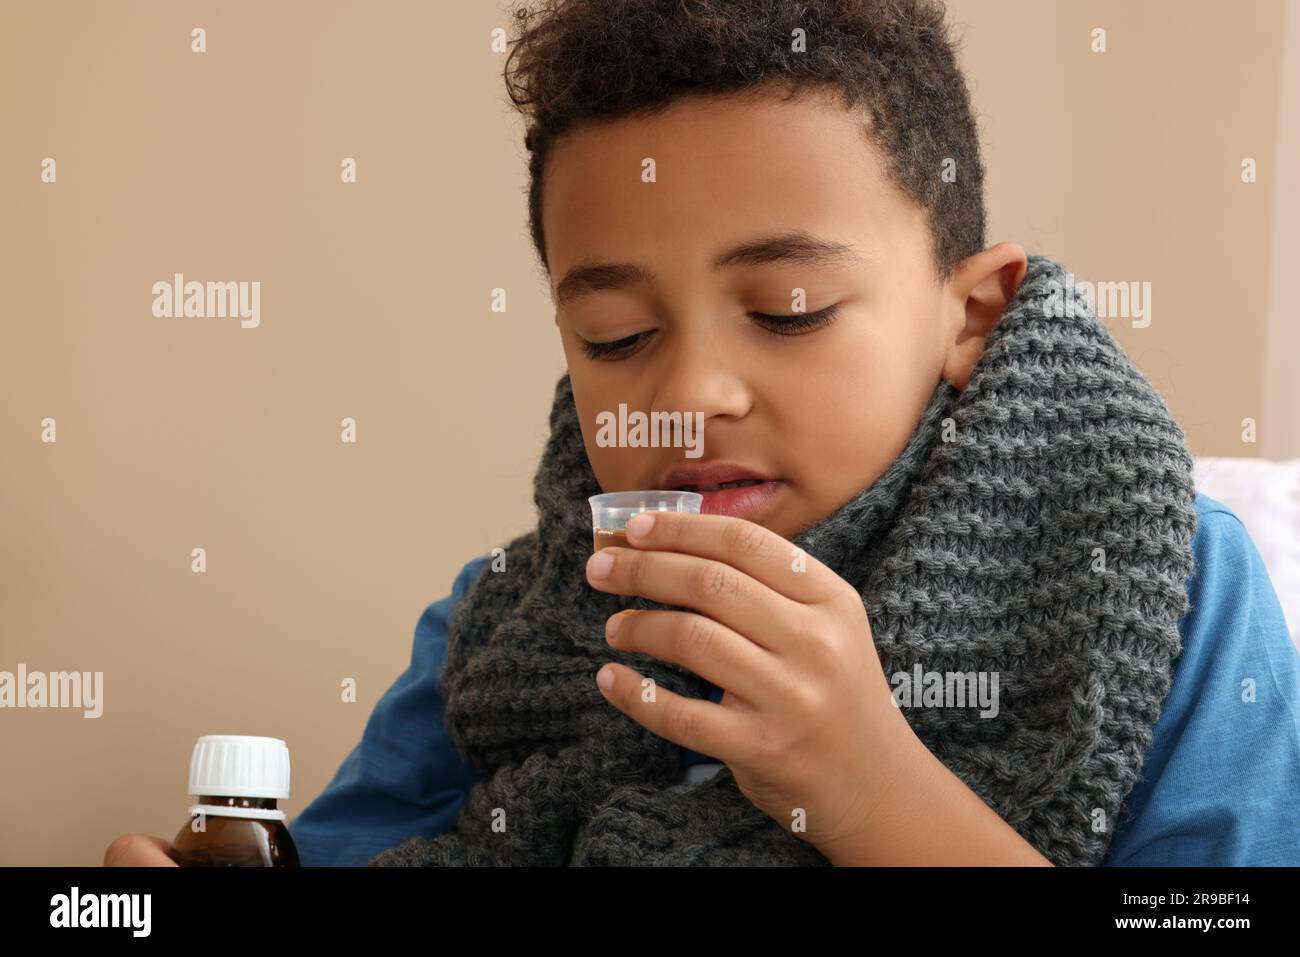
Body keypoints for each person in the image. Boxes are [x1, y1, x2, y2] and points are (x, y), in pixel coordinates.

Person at [105, 0, 1300, 867]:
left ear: (971, 314)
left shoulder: (1160, 588)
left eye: (788, 312)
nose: (691, 392)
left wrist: (867, 789)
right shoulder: (496, 632)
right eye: (618, 337)